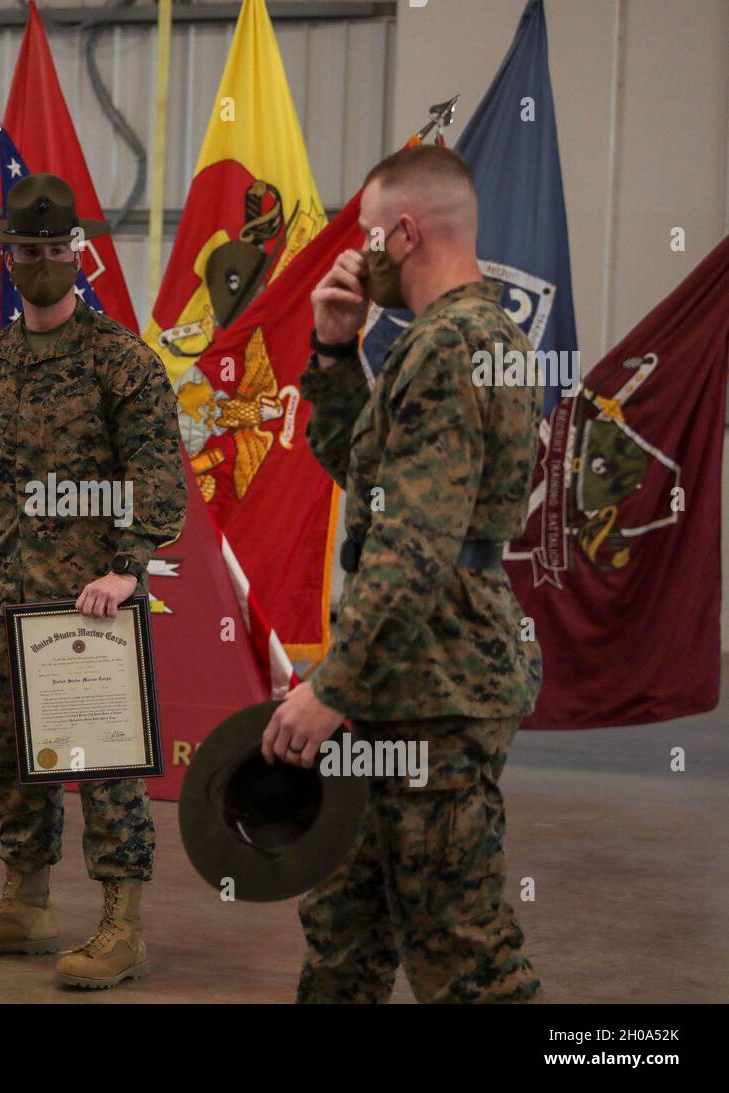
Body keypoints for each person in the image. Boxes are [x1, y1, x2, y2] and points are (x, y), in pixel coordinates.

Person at [262, 145, 544, 1003]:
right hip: (405, 681)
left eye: (370, 235)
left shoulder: (452, 346)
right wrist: (337, 352)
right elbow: (370, 475)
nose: (362, 254)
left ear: (407, 231)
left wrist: (331, 685)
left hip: (435, 686)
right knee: (345, 923)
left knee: (460, 948)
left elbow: (414, 544)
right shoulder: (449, 340)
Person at [0, 174, 187, 989]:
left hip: (91, 603)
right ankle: (25, 905)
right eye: (26, 251)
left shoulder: (122, 364)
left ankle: (121, 925)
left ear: (80, 253)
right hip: (4, 599)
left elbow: (158, 478)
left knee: (103, 764)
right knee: (13, 758)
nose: (40, 262)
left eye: (54, 249)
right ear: (7, 258)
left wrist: (127, 569)